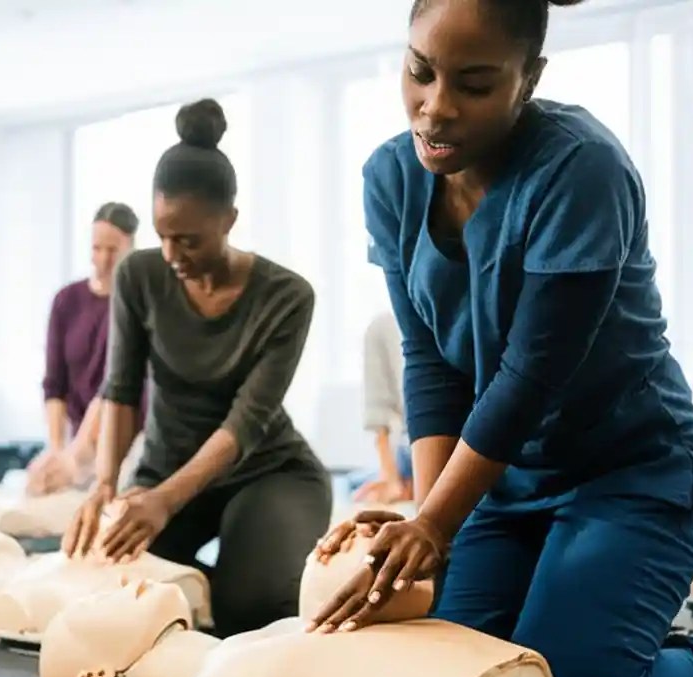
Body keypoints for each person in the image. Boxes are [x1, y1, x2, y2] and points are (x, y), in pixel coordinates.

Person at [306, 1, 693, 677]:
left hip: (634, 471)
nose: (435, 109)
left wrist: (438, 526)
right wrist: (426, 520)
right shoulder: (391, 176)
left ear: (528, 78)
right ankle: (609, 627)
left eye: (473, 85)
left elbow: (530, 378)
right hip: (505, 483)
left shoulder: (580, 169)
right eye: (420, 72)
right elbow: (431, 363)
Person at [60, 98, 332, 637]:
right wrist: (105, 486)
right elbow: (119, 389)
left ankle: (244, 590)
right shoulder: (139, 276)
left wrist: (164, 502)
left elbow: (246, 421)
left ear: (229, 220)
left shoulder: (288, 296)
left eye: (188, 239)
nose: (170, 253)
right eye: (162, 234)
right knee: (113, 596)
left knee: (250, 612)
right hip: (163, 471)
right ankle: (206, 589)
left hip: (268, 473)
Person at [30, 201, 140, 495]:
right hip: (73, 433)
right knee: (39, 485)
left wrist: (76, 454)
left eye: (113, 250)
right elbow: (55, 384)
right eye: (96, 248)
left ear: (130, 248)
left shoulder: (134, 305)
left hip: (120, 434)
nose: (103, 260)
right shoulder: (66, 300)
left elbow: (113, 386)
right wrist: (57, 451)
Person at [352, 311, 413, 503]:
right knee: (354, 487)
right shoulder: (382, 327)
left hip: (466, 446)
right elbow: (379, 416)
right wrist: (391, 480)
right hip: (411, 449)